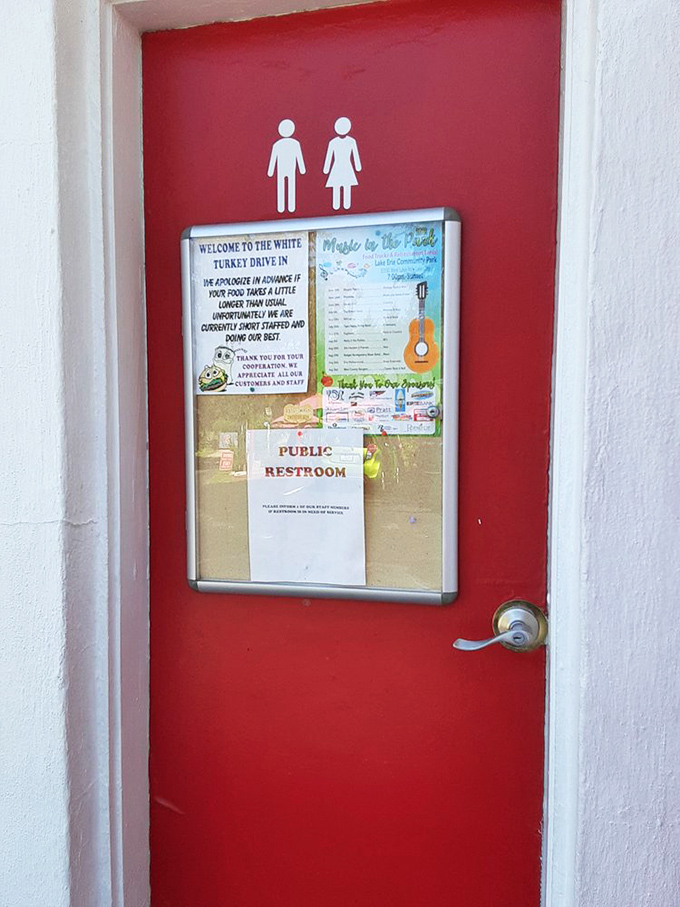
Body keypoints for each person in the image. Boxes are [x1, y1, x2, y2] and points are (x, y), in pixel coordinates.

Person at [323, 117, 362, 210]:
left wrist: (357, 167)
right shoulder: (333, 142)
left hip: (345, 166)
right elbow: (329, 156)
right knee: (338, 186)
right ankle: (336, 205)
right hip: (338, 166)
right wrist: (326, 169)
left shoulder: (351, 141)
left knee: (346, 186)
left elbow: (355, 155)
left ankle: (345, 205)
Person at [267, 119, 306, 213]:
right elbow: (273, 158)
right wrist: (302, 169)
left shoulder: (280, 144)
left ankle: (284, 207)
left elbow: (299, 157)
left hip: (285, 169)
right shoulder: (293, 144)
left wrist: (270, 171)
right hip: (287, 169)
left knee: (284, 186)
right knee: (288, 185)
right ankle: (287, 206)